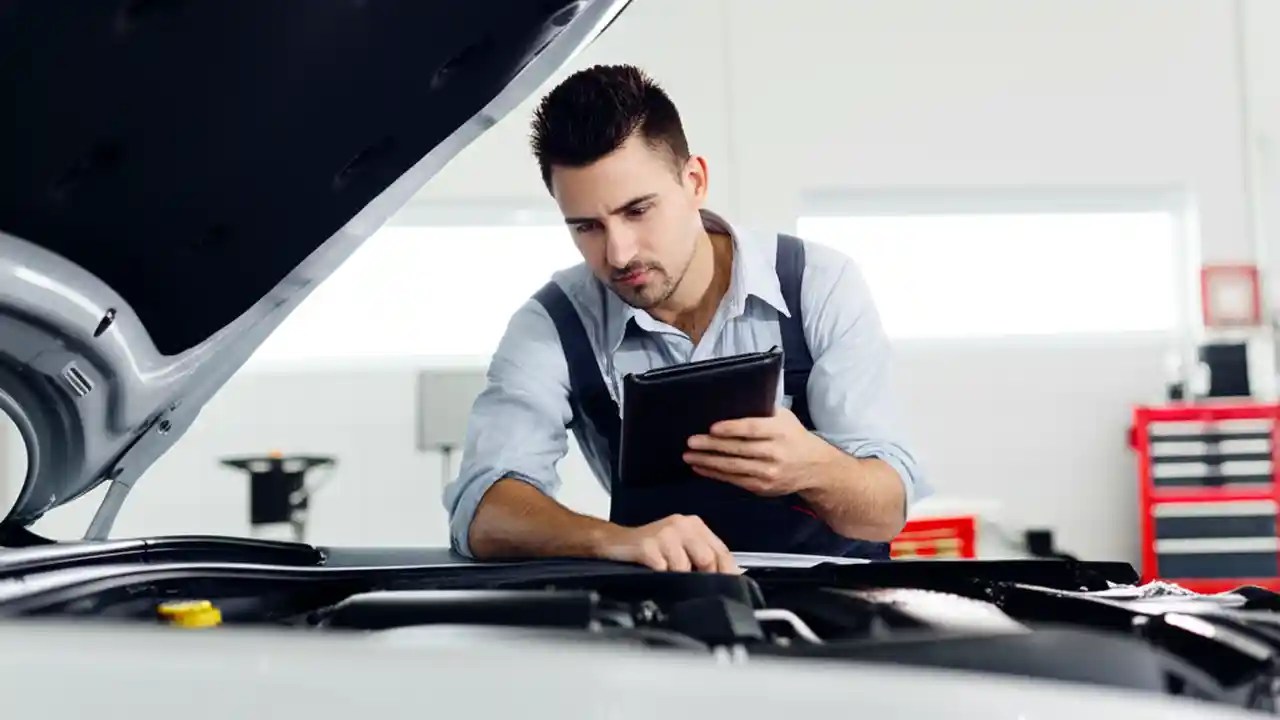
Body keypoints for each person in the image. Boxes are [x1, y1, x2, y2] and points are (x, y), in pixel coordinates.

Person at [442, 64, 928, 574]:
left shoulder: (818, 283)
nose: (619, 253)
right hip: (663, 603)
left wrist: (812, 468)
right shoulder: (552, 323)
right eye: (587, 227)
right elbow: (482, 511)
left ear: (694, 181)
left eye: (637, 211)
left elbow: (885, 512)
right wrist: (611, 541)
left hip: (830, 604)